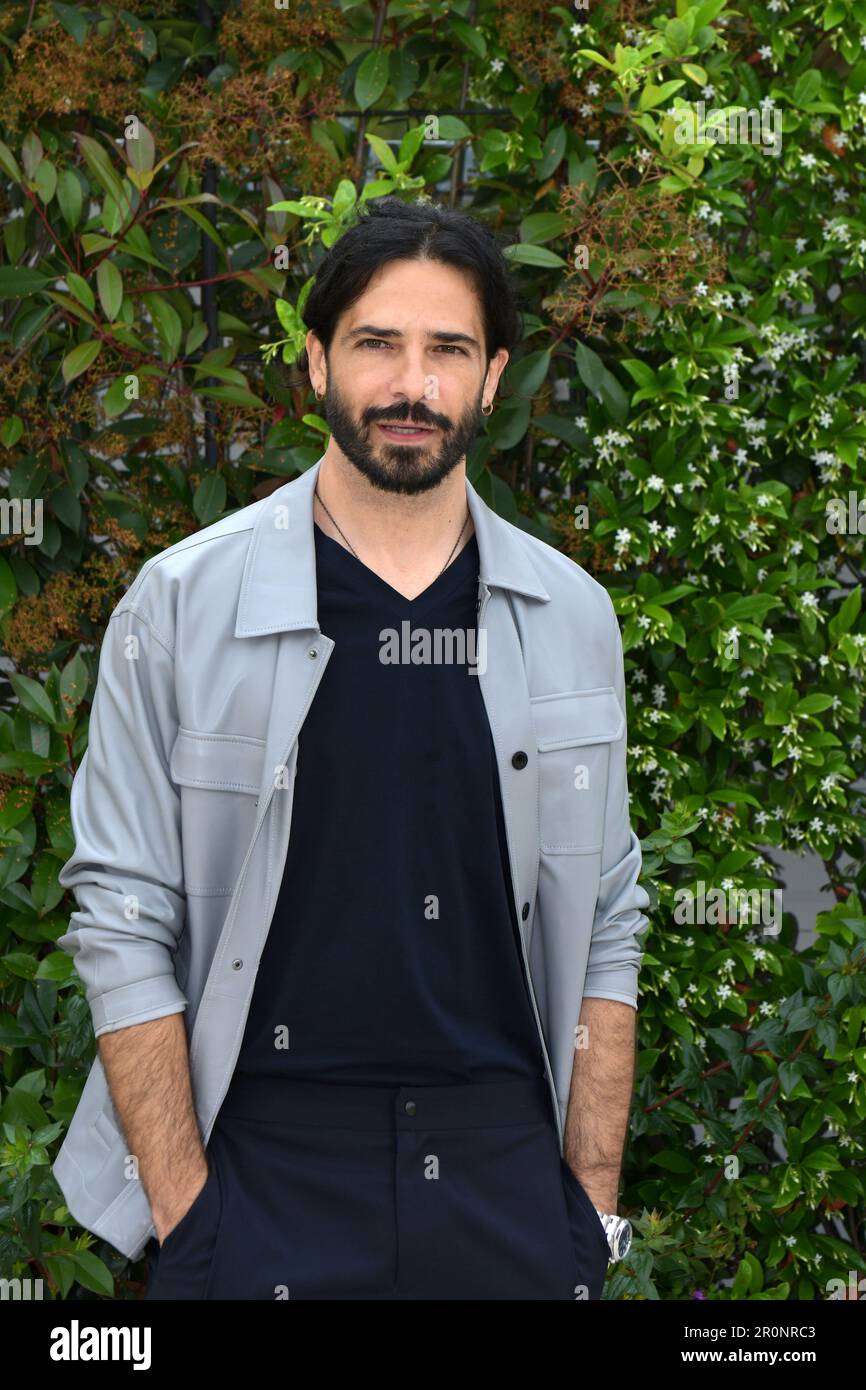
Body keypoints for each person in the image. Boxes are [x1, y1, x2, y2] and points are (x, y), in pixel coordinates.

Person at [53, 195, 650, 1300]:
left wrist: (588, 1208)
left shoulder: (570, 616)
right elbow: (123, 915)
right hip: (261, 1170)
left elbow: (608, 919)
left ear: (492, 378)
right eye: (376, 344)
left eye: (446, 351)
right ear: (316, 361)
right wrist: (192, 1223)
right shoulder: (181, 605)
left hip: (503, 1184)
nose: (410, 385)